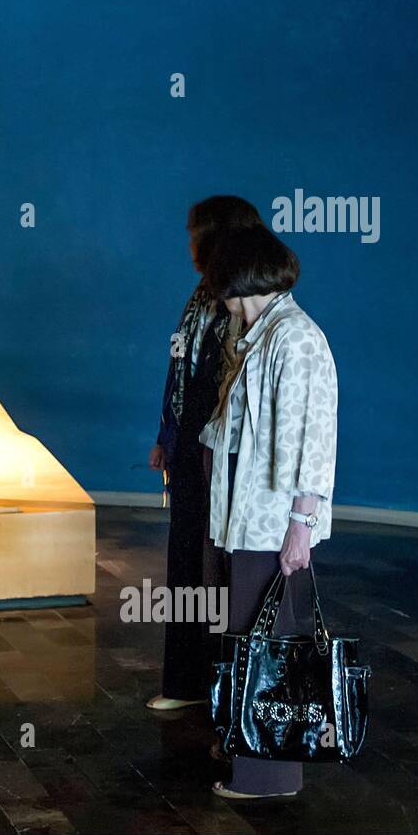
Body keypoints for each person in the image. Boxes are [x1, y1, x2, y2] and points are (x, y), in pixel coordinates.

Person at [198, 224, 338, 799]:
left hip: (271, 521)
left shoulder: (296, 337)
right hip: (247, 517)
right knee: (247, 635)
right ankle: (245, 744)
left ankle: (270, 774)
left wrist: (301, 526)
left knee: (273, 642)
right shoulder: (263, 331)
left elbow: (314, 438)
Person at [146, 197, 263, 711]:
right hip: (190, 449)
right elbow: (182, 373)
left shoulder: (246, 300)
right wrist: (166, 436)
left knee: (220, 566)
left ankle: (223, 690)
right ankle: (184, 682)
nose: (189, 247)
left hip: (224, 453)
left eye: (196, 235)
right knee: (184, 560)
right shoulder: (201, 297)